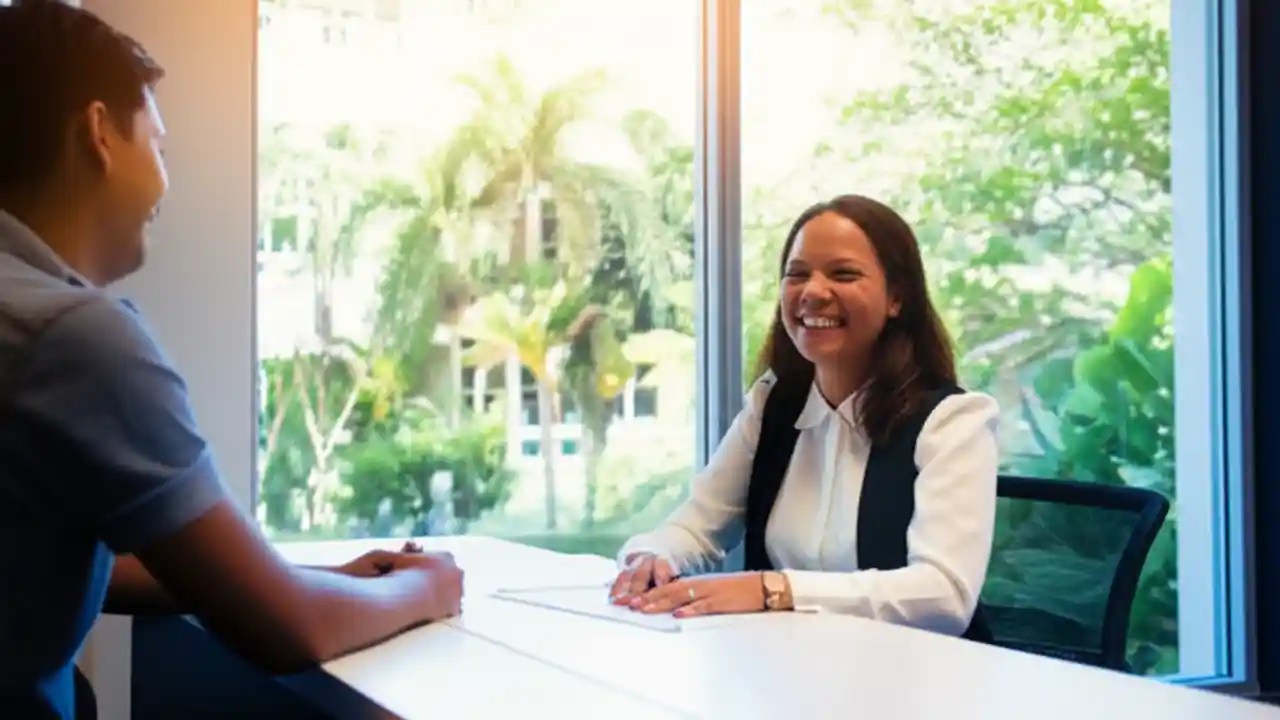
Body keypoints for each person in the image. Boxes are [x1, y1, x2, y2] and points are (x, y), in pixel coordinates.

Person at [0, 4, 463, 718]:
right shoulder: (71, 335)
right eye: (158, 145)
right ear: (99, 133)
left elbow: (53, 562)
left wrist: (301, 577)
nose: (164, 183)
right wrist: (427, 587)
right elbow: (287, 628)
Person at [608, 194, 999, 639]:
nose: (812, 292)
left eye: (843, 274)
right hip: (790, 666)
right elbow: (697, 526)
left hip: (918, 675)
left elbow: (944, 595)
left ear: (897, 298)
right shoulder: (772, 405)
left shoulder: (953, 421)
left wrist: (772, 589)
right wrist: (652, 557)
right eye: (797, 275)